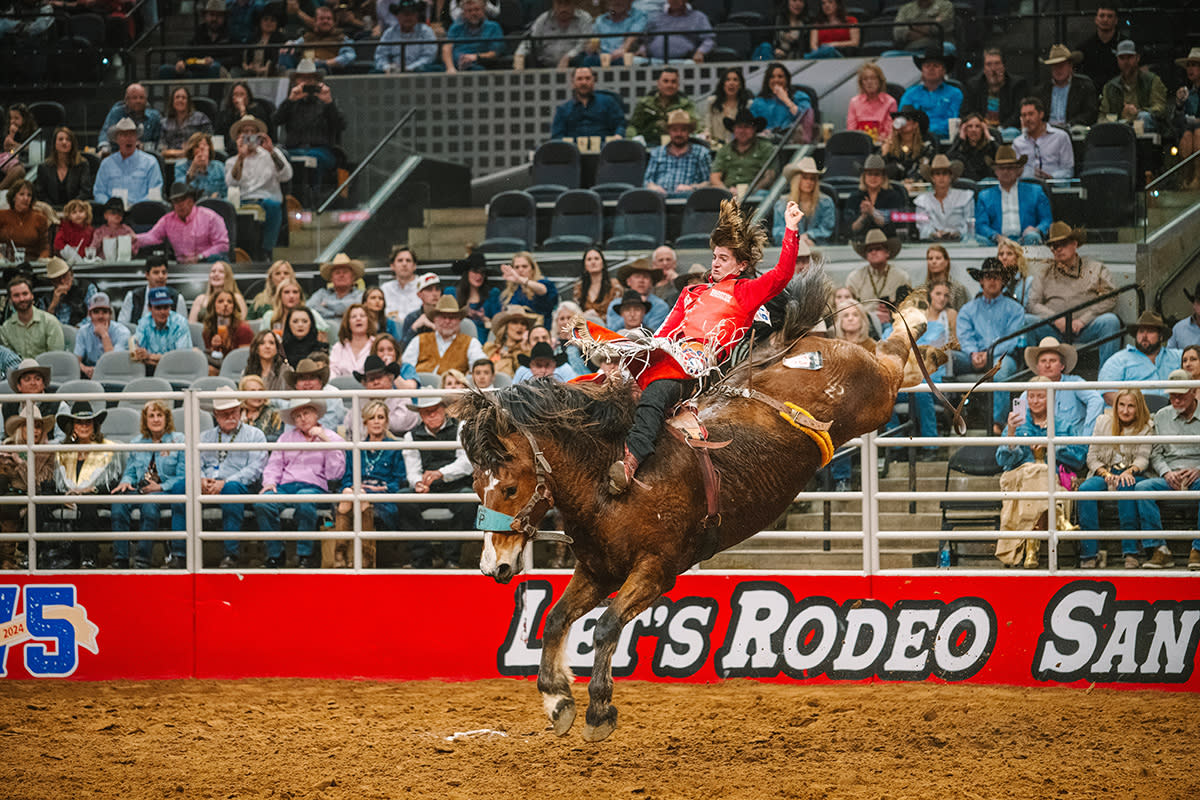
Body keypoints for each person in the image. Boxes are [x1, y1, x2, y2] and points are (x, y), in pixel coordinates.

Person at [607, 200, 805, 493]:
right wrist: (644, 351)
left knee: (657, 392)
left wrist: (790, 230)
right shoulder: (692, 292)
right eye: (715, 256)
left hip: (705, 367)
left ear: (741, 265)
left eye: (723, 258)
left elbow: (781, 275)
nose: (715, 263)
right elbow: (666, 331)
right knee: (608, 384)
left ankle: (633, 459)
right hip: (673, 356)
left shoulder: (745, 292)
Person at [995, 376, 1087, 568]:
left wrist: (1051, 447)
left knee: (1039, 472)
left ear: (1051, 398)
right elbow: (1002, 461)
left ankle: (1032, 550)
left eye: (1041, 396)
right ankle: (1058, 517)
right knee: (1036, 470)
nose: (1035, 401)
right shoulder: (1017, 422)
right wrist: (1011, 433)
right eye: (1031, 396)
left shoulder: (1062, 424)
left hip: (1049, 482)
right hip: (1017, 477)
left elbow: (1079, 458)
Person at [256, 396, 346, 568]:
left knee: (305, 499)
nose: (303, 418)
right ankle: (275, 554)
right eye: (298, 416)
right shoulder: (285, 438)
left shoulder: (332, 437)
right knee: (263, 502)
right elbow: (274, 464)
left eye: (306, 413)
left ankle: (305, 554)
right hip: (287, 486)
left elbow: (335, 474)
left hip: (315, 487)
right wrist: (269, 482)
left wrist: (326, 442)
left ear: (316, 415)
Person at [1075, 388, 1155, 569]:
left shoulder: (1146, 426)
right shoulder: (1103, 421)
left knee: (1127, 488)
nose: (1125, 411)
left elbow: (1143, 458)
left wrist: (1130, 471)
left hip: (1132, 474)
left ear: (1139, 407)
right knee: (1085, 491)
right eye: (1122, 405)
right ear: (1116, 405)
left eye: (1131, 406)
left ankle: (1130, 552)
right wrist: (1106, 474)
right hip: (1105, 472)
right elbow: (1092, 457)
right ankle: (1089, 553)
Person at [1027, 221, 1122, 365]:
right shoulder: (1044, 273)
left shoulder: (1095, 268)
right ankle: (1035, 378)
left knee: (1110, 321)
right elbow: (1033, 303)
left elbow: (1110, 297)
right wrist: (1055, 319)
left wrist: (1083, 320)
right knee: (1027, 321)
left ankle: (1107, 378)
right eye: (1054, 246)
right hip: (1054, 330)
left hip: (1086, 328)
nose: (1058, 249)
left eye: (1063, 244)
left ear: (1075, 244)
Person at [399, 394, 475, 569]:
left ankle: (452, 558)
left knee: (468, 500)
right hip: (428, 489)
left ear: (444, 410)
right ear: (420, 415)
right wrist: (418, 483)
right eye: (426, 412)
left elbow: (466, 463)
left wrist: (441, 473)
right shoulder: (411, 436)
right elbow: (412, 469)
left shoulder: (461, 428)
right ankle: (421, 557)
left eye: (435, 411)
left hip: (456, 486)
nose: (431, 415)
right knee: (404, 499)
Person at [110, 400, 187, 569]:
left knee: (149, 503)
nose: (156, 419)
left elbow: (183, 477)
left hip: (166, 490)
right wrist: (125, 482)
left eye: (160, 415)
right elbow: (130, 471)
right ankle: (120, 559)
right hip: (140, 488)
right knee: (118, 502)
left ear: (167, 418)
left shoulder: (179, 440)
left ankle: (142, 559)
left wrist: (160, 487)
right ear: (145, 420)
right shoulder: (136, 442)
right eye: (151, 416)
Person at [1137, 370, 1200, 570]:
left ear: (1193, 391)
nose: (1176, 400)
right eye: (1172, 395)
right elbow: (1155, 453)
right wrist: (1166, 472)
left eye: (1181, 395)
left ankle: (1198, 549)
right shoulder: (1162, 416)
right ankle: (1159, 550)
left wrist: (1198, 469)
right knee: (1142, 489)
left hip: (1197, 474)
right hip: (1170, 475)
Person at [50, 402, 124, 569]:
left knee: (88, 501)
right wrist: (64, 496)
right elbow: (55, 482)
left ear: (94, 425)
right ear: (72, 426)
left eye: (88, 422)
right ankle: (38, 556)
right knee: (40, 501)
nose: (83, 426)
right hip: (68, 497)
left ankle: (88, 557)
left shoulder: (109, 448)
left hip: (99, 496)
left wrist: (93, 489)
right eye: (79, 422)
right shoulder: (63, 450)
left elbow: (115, 481)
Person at [328, 399, 402, 568]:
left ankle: (363, 555)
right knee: (348, 493)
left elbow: (398, 481)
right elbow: (346, 478)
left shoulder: (394, 448)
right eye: (372, 418)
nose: (376, 421)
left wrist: (380, 488)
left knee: (358, 497)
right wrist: (353, 487)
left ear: (386, 422)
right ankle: (341, 553)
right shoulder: (357, 447)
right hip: (356, 495)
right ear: (365, 422)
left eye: (381, 417)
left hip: (382, 498)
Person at [199, 393, 269, 569]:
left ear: (240, 411)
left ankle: (231, 554)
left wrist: (224, 482)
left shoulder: (255, 435)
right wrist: (200, 479)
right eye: (224, 413)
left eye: (234, 412)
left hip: (241, 487)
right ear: (215, 415)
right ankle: (179, 553)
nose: (231, 417)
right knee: (180, 487)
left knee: (231, 489)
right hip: (207, 485)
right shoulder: (204, 437)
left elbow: (255, 469)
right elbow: (195, 463)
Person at [954, 258, 1025, 425]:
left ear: (1003, 281)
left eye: (996, 276)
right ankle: (947, 416)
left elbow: (1013, 338)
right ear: (981, 280)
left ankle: (997, 424)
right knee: (948, 358)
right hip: (973, 356)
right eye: (988, 276)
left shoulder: (1015, 309)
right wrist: (973, 352)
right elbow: (964, 335)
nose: (992, 281)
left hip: (1002, 357)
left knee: (1001, 369)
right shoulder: (968, 309)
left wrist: (990, 354)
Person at [274, 58, 346, 190]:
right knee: (279, 158)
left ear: (316, 82)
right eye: (302, 79)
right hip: (293, 148)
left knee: (312, 159)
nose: (306, 82)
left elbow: (341, 125)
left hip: (321, 150)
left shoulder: (326, 102)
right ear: (296, 81)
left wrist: (329, 102)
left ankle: (313, 198)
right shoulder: (291, 102)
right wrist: (290, 100)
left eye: (310, 79)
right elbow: (275, 120)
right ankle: (288, 199)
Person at [0, 407, 55, 571]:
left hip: (29, 497)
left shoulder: (47, 453)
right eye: (29, 425)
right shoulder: (6, 448)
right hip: (6, 493)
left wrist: (19, 463)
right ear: (20, 429)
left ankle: (8, 559)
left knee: (9, 504)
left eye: (38, 426)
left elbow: (40, 483)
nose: (34, 430)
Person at [1019, 336, 1105, 438]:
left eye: (1052, 361)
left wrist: (1086, 437)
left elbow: (1097, 401)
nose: (1047, 365)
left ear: (1062, 366)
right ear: (1037, 367)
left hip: (1073, 447)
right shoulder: (1027, 394)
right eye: (1043, 361)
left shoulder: (1074, 383)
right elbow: (1019, 423)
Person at [1098, 311, 1182, 404]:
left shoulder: (1179, 356)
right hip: (1132, 414)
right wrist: (1135, 409)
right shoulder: (1118, 360)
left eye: (1150, 331)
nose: (1144, 336)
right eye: (1141, 331)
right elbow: (1108, 394)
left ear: (1161, 336)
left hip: (1172, 412)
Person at [974, 145, 1052, 245]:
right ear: (995, 171)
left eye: (1010, 168)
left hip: (1026, 239)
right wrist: (996, 236)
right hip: (997, 242)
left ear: (1017, 170)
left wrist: (1036, 230)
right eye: (1002, 168)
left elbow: (1047, 220)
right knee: (978, 240)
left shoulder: (1035, 191)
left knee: (1033, 236)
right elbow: (981, 225)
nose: (1006, 171)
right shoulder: (984, 196)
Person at [136, 182, 230, 263]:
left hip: (207, 264)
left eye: (183, 200)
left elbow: (223, 245)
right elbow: (152, 236)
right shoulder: (167, 220)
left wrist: (200, 257)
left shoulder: (211, 217)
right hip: (181, 265)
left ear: (191, 201)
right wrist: (134, 238)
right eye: (176, 201)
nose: (180, 205)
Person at [401, 296, 486, 375]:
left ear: (459, 321)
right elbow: (405, 369)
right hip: (421, 389)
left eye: (452, 317)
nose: (447, 321)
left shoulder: (471, 343)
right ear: (434, 319)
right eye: (443, 317)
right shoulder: (419, 340)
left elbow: (482, 368)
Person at [1099, 40, 1169, 133]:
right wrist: (1118, 118)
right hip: (1120, 129)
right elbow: (1103, 115)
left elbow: (1160, 107)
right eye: (1122, 58)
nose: (1126, 61)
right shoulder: (1110, 87)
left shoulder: (1152, 80)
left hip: (1146, 128)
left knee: (1144, 117)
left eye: (1129, 57)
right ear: (1117, 60)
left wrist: (1138, 112)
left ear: (1137, 58)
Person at [845, 229, 910, 327]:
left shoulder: (901, 277)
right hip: (863, 325)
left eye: (878, 248)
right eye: (869, 250)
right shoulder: (855, 278)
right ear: (866, 255)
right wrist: (872, 316)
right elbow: (848, 308)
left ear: (887, 252)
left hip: (894, 324)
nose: (873, 252)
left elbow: (908, 308)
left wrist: (892, 314)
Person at [94, 117, 165, 206]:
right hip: (113, 213)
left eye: (132, 135)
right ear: (117, 139)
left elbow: (155, 193)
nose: (129, 138)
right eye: (124, 135)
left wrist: (134, 207)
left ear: (136, 138)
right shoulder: (106, 164)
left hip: (141, 212)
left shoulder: (150, 162)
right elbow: (99, 192)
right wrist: (111, 206)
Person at [899, 44, 963, 139]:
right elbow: (903, 119)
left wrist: (925, 129)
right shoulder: (910, 94)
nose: (931, 69)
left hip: (946, 142)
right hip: (915, 141)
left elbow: (954, 122)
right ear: (922, 70)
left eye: (936, 65)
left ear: (944, 71)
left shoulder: (955, 94)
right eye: (927, 65)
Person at [643, 109, 711, 198]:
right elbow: (647, 181)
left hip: (689, 201)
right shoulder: (657, 153)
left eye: (683, 130)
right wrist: (654, 188)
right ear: (668, 131)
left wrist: (692, 187)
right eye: (674, 130)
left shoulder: (701, 153)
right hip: (660, 201)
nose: (679, 134)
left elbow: (709, 182)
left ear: (689, 132)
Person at [962, 48, 1028, 139]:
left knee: (1011, 133)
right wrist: (980, 126)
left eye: (997, 64)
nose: (993, 69)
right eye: (989, 64)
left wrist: (1000, 128)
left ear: (1003, 66)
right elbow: (968, 112)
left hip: (1007, 128)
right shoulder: (973, 85)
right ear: (984, 68)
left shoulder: (1017, 85)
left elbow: (1018, 113)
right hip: (981, 128)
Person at [550, 66, 626, 140]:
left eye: (588, 78)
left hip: (604, 149)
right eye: (579, 79)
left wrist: (618, 135)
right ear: (573, 83)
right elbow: (557, 136)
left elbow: (620, 124)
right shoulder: (563, 109)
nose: (584, 82)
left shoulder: (608, 102)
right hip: (573, 151)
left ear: (593, 81)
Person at [514, 0, 593, 70]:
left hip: (575, 68)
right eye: (559, 3)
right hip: (545, 68)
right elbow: (530, 40)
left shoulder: (584, 18)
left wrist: (568, 57)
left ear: (574, 4)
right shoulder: (544, 19)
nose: (563, 8)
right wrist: (520, 55)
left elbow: (584, 43)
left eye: (567, 3)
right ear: (553, 4)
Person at [160, 0, 229, 80]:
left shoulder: (228, 35)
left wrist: (214, 61)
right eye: (211, 15)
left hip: (218, 71)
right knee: (165, 69)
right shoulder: (200, 32)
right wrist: (181, 61)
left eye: (219, 16)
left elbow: (235, 58)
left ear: (224, 18)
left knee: (214, 67)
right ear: (205, 16)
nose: (214, 19)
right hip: (196, 68)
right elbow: (186, 51)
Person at [131, 287, 193, 375]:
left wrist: (149, 357)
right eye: (158, 308)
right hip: (150, 372)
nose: (162, 312)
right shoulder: (143, 322)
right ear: (149, 308)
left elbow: (181, 358)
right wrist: (146, 357)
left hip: (177, 372)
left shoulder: (180, 322)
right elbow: (138, 355)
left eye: (166, 307)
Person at [773, 157, 834, 246]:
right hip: (790, 246)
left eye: (812, 179)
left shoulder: (826, 202)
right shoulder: (782, 203)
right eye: (805, 178)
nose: (809, 182)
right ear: (796, 180)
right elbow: (778, 231)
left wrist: (809, 236)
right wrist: (796, 239)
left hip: (817, 246)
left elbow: (826, 228)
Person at [1036, 44, 1099, 129]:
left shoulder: (1084, 86)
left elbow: (1090, 113)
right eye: (1054, 66)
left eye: (1061, 66)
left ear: (1070, 66)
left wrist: (1069, 125)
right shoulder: (1042, 90)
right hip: (1046, 132)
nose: (1058, 70)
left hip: (1072, 131)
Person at [845, 154, 908, 237]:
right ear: (864, 176)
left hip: (887, 240)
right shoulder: (854, 197)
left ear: (883, 177)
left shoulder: (894, 196)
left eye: (877, 174)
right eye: (869, 174)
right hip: (861, 240)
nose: (873, 178)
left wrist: (872, 212)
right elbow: (851, 229)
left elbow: (893, 225)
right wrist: (863, 217)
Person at [354, 354, 420, 434]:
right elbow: (352, 425)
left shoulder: (402, 398)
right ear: (365, 384)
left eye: (379, 377)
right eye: (371, 379)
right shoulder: (359, 400)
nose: (376, 382)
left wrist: (371, 423)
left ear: (390, 378)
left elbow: (399, 425)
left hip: (398, 444)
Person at [1012, 97, 1074, 180]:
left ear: (1041, 114)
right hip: (1029, 188)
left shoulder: (1061, 137)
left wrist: (1051, 177)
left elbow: (1068, 171)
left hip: (1055, 188)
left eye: (1031, 114)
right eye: (1024, 115)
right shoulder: (1017, 143)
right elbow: (1014, 173)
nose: (1027, 119)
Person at [279, 5, 355, 73]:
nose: (325, 21)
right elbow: (294, 43)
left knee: (317, 65)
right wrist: (289, 43)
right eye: (321, 19)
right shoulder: (308, 37)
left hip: (324, 71)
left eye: (328, 19)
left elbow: (350, 55)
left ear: (334, 22)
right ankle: (287, 81)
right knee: (285, 52)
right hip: (302, 71)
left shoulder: (341, 38)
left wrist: (326, 62)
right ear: (315, 21)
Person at [710, 110, 773, 192]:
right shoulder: (724, 150)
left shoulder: (766, 148)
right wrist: (726, 191)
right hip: (729, 192)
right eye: (739, 127)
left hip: (755, 193)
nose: (742, 131)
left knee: (763, 194)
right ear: (734, 130)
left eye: (747, 127)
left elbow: (769, 176)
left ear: (754, 129)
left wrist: (751, 190)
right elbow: (715, 177)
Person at [627, 68, 697, 142]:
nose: (669, 85)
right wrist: (631, 140)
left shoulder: (686, 105)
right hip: (648, 144)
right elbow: (633, 126)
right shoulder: (645, 104)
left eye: (673, 82)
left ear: (678, 85)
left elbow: (695, 126)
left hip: (678, 145)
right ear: (658, 84)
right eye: (665, 81)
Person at [915, 155, 974, 242]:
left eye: (945, 173)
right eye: (937, 174)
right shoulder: (922, 201)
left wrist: (958, 233)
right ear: (932, 178)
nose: (941, 177)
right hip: (932, 244)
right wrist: (933, 234)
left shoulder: (965, 196)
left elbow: (970, 224)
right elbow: (922, 227)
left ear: (951, 176)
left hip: (961, 243)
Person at [1, 275, 63, 359]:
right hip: (18, 371)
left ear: (32, 295)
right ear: (10, 300)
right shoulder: (6, 329)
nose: (22, 299)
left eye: (25, 294)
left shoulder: (50, 322)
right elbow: (8, 362)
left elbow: (56, 358)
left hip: (48, 370)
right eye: (16, 295)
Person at [749, 62, 814, 143]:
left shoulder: (800, 97)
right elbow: (750, 126)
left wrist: (786, 100)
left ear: (787, 79)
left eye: (780, 77)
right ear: (767, 81)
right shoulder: (758, 101)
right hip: (764, 143)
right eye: (772, 77)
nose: (776, 80)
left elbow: (805, 119)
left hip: (792, 143)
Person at [445, 252, 500, 342]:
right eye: (475, 271)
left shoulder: (492, 294)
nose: (479, 276)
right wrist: (462, 314)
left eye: (482, 273)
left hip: (484, 344)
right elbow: (444, 321)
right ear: (467, 273)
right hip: (458, 342)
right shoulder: (452, 293)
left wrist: (484, 319)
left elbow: (499, 325)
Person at [638, 0, 713, 64]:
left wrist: (700, 52)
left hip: (684, 61)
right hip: (654, 60)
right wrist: (642, 49)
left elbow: (709, 40)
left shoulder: (698, 17)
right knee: (636, 61)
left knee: (691, 64)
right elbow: (646, 39)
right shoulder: (656, 16)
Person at [118, 256, 188, 325]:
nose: (161, 276)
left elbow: (182, 329)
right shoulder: (133, 297)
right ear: (147, 275)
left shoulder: (177, 298)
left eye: (164, 272)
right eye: (156, 272)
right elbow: (123, 326)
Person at [74, 293, 130, 378]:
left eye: (104, 312)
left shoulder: (123, 332)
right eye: (96, 312)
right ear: (90, 314)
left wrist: (104, 335)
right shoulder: (83, 331)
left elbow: (113, 363)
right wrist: (85, 369)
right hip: (90, 376)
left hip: (115, 375)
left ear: (110, 314)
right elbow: (76, 361)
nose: (100, 316)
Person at [34, 127, 93, 207]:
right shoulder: (44, 167)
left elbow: (85, 191)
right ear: (54, 143)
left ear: (72, 144)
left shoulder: (82, 164)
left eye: (68, 139)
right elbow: (40, 193)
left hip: (75, 210)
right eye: (60, 139)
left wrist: (72, 207)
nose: (64, 142)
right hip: (51, 210)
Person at [96, 84, 163, 155]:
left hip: (146, 156)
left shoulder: (154, 116)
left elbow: (160, 141)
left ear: (146, 100)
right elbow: (106, 133)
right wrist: (105, 149)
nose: (138, 101)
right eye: (134, 98)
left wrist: (143, 146)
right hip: (118, 154)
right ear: (126, 100)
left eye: (141, 97)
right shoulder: (117, 112)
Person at [498, 251, 558, 329]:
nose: (520, 270)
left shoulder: (543, 283)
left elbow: (543, 290)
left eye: (524, 266)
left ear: (533, 269)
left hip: (538, 332)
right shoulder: (510, 292)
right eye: (517, 267)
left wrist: (521, 280)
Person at [441, 0, 506, 73]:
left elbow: (495, 53)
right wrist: (450, 68)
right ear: (464, 12)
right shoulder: (456, 27)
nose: (473, 13)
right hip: (455, 68)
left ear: (483, 10)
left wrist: (475, 57)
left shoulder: (493, 27)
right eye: (469, 11)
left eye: (477, 9)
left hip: (478, 66)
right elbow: (447, 48)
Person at [606, 258, 670, 331]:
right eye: (637, 277)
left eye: (645, 277)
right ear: (628, 281)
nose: (641, 280)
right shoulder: (615, 304)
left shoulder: (660, 306)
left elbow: (653, 333)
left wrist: (641, 308)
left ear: (651, 282)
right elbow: (611, 331)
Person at [375, 0, 438, 73]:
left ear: (417, 15)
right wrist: (387, 67)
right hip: (392, 74)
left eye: (412, 13)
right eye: (404, 14)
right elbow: (380, 56)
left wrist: (409, 68)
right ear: (397, 16)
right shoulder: (389, 33)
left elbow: (429, 57)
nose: (408, 17)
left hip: (419, 74)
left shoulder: (426, 31)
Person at [1076, 4, 1125, 92]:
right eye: (1102, 16)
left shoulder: (1125, 44)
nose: (1105, 19)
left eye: (1110, 16)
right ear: (1096, 20)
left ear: (1116, 20)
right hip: (1092, 95)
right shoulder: (1084, 47)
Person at [202, 290, 254, 370]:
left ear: (233, 307)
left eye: (229, 302)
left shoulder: (244, 330)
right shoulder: (208, 330)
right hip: (217, 367)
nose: (226, 304)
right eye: (220, 301)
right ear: (213, 305)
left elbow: (244, 359)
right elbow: (213, 359)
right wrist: (214, 348)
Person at [881, 106, 935, 182]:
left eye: (907, 119)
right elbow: (880, 170)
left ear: (915, 124)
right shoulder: (891, 145)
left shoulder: (925, 145)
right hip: (895, 185)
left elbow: (924, 166)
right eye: (901, 119)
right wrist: (884, 153)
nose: (903, 122)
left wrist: (912, 179)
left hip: (917, 184)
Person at [846, 62, 897, 142]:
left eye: (873, 78)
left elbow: (891, 132)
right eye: (865, 79)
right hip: (860, 145)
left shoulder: (890, 102)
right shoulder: (854, 102)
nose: (869, 82)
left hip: (883, 145)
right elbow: (851, 131)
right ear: (861, 83)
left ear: (880, 81)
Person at [700, 68, 753, 145]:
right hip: (715, 146)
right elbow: (707, 127)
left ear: (740, 85)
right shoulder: (712, 102)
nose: (731, 83)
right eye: (727, 80)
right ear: (723, 84)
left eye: (735, 80)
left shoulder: (748, 105)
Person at [484, 305, 539, 377]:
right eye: (514, 322)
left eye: (523, 323)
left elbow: (527, 375)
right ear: (506, 327)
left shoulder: (528, 351)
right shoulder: (490, 348)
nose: (520, 327)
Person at [160, 86, 214, 160]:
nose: (180, 100)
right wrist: (181, 153)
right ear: (172, 101)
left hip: (195, 158)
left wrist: (192, 149)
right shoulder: (164, 123)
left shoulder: (201, 118)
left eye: (183, 98)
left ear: (188, 102)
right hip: (170, 160)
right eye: (177, 97)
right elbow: (162, 148)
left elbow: (209, 140)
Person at [41, 257, 97, 326]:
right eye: (57, 279)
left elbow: (94, 316)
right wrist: (53, 305)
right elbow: (43, 325)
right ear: (52, 282)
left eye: (64, 276)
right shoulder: (47, 299)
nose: (62, 281)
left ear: (71, 274)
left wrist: (77, 329)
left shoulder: (86, 288)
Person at [308, 253, 365, 322]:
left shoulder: (361, 295)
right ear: (331, 278)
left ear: (353, 277)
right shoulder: (321, 293)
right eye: (337, 273)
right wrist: (334, 314)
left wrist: (327, 304)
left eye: (345, 272)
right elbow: (309, 307)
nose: (341, 275)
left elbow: (346, 307)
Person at [0, 180, 49, 258]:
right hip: (5, 264)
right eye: (21, 194)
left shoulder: (40, 218)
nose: (26, 198)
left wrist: (40, 261)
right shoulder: (2, 215)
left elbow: (45, 248)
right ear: (13, 197)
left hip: (32, 265)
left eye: (29, 195)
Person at [588, 0, 645, 65]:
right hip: (603, 59)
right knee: (588, 60)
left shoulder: (638, 16)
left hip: (626, 57)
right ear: (607, 2)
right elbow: (593, 43)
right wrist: (591, 47)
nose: (617, 2)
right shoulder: (600, 20)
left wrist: (623, 49)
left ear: (629, 1)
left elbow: (633, 35)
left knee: (627, 60)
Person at [945, 112, 997, 182]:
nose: (973, 130)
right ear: (965, 130)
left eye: (977, 126)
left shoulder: (990, 146)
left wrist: (988, 136)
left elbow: (1001, 157)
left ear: (982, 129)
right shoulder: (960, 147)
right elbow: (948, 158)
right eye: (970, 126)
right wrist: (961, 139)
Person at [175, 130, 227, 200]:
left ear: (209, 148)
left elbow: (226, 192)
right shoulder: (181, 166)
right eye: (197, 146)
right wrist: (192, 169)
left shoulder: (219, 167)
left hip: (216, 205)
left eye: (205, 145)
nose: (201, 148)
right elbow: (179, 191)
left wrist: (218, 197)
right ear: (192, 150)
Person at [573, 247, 621, 321]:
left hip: (609, 327)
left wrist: (597, 318)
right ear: (585, 266)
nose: (593, 262)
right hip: (585, 328)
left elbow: (618, 313)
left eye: (596, 259)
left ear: (603, 263)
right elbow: (575, 312)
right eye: (589, 259)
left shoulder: (615, 285)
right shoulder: (579, 287)